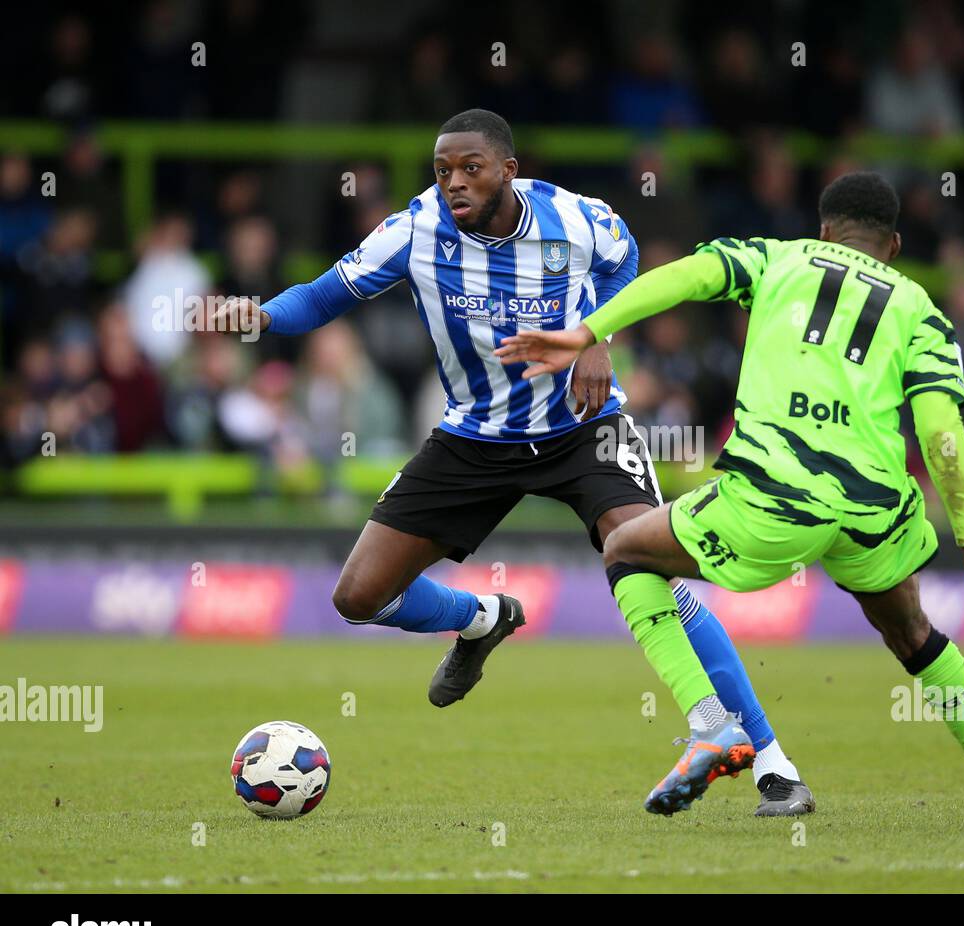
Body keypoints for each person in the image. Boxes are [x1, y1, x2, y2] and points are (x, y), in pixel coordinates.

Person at [210, 109, 812, 816]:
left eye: (470, 168)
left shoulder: (576, 219)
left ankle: (769, 762)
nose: (454, 183)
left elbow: (627, 263)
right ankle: (481, 618)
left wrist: (597, 338)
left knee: (650, 561)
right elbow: (320, 297)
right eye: (442, 171)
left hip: (582, 426)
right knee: (358, 597)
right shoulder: (414, 231)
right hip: (474, 437)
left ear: (507, 171)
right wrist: (258, 315)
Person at [497, 171, 964, 828]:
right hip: (874, 515)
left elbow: (685, 275)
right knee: (914, 636)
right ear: (894, 246)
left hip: (773, 502)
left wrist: (589, 332)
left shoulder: (774, 258)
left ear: (823, 230)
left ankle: (712, 725)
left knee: (626, 550)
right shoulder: (920, 310)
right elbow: (941, 436)